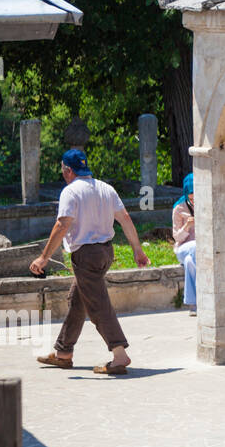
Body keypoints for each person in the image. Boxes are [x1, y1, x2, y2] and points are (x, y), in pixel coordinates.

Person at [31, 149, 149, 373]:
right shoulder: (106, 188)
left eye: (63, 170)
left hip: (86, 256)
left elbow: (62, 224)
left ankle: (119, 354)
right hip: (106, 252)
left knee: (98, 305)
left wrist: (44, 257)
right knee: (79, 301)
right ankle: (63, 353)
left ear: (68, 170)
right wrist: (137, 250)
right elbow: (124, 218)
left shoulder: (70, 191)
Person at [172, 173, 197, 315]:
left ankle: (193, 304)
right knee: (193, 248)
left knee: (189, 262)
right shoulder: (178, 209)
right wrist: (186, 226)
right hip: (183, 248)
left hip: (200, 251)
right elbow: (176, 237)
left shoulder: (207, 205)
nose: (193, 201)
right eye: (191, 198)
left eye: (196, 197)